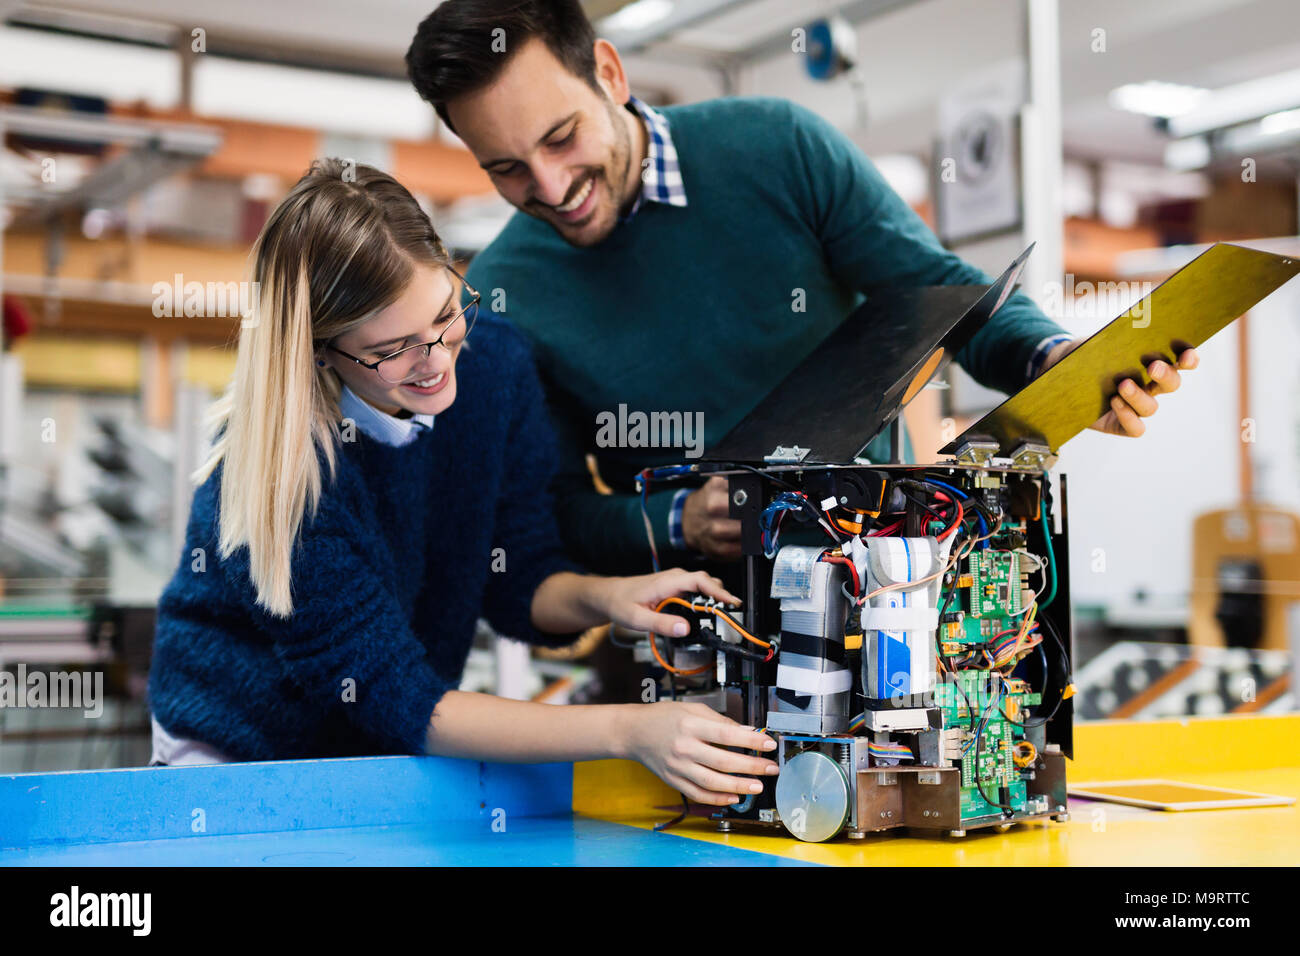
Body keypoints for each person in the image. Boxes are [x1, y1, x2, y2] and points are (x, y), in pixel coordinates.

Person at [405, 0, 1199, 580]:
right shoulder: (507, 292)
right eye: (504, 168)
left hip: (894, 580)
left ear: (608, 74)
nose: (548, 185)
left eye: (560, 136)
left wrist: (1052, 358)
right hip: (698, 636)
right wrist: (679, 519)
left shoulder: (775, 147)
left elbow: (942, 293)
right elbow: (556, 513)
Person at [147, 159, 782, 809]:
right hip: (236, 757)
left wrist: (612, 597)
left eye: (447, 315)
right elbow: (402, 700)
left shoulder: (494, 366)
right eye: (394, 349)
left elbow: (519, 580)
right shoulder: (283, 478)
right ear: (320, 348)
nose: (438, 361)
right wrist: (627, 728)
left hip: (382, 748)